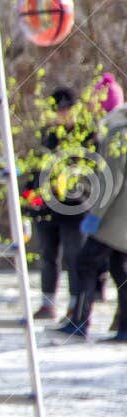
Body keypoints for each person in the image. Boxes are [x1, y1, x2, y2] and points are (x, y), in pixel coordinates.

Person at [57, 82, 127, 340]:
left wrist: (96, 214)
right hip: (120, 217)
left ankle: (79, 322)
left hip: (115, 218)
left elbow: (112, 179)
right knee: (121, 270)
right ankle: (123, 328)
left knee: (84, 263)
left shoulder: (118, 131)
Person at [23, 87, 90, 319]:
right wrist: (30, 195)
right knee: (48, 255)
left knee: (74, 257)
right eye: (58, 110)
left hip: (75, 207)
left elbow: (93, 171)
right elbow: (36, 168)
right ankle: (47, 302)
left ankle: (75, 305)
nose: (62, 114)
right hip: (47, 206)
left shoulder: (86, 135)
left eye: (66, 110)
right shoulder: (47, 135)